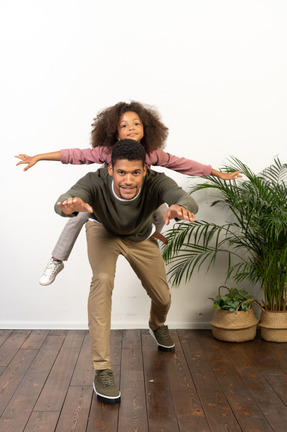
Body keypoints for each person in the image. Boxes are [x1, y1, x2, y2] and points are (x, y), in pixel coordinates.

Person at [16, 101, 242, 286]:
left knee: (161, 208)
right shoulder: (106, 152)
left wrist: (216, 173)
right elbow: (74, 155)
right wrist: (39, 156)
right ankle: (57, 259)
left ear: (146, 129)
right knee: (80, 214)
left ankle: (154, 235)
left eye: (136, 123)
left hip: (138, 198)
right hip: (107, 201)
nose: (131, 127)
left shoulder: (152, 154)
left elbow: (181, 164)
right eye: (124, 125)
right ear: (114, 131)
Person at [54, 139, 198, 405]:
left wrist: (181, 207)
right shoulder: (94, 180)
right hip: (103, 233)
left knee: (163, 296)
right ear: (110, 169)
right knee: (102, 280)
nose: (128, 180)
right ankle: (102, 370)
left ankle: (157, 324)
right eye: (121, 172)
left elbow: (183, 198)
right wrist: (69, 205)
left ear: (144, 169)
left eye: (135, 172)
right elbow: (65, 200)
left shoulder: (156, 181)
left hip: (141, 236)